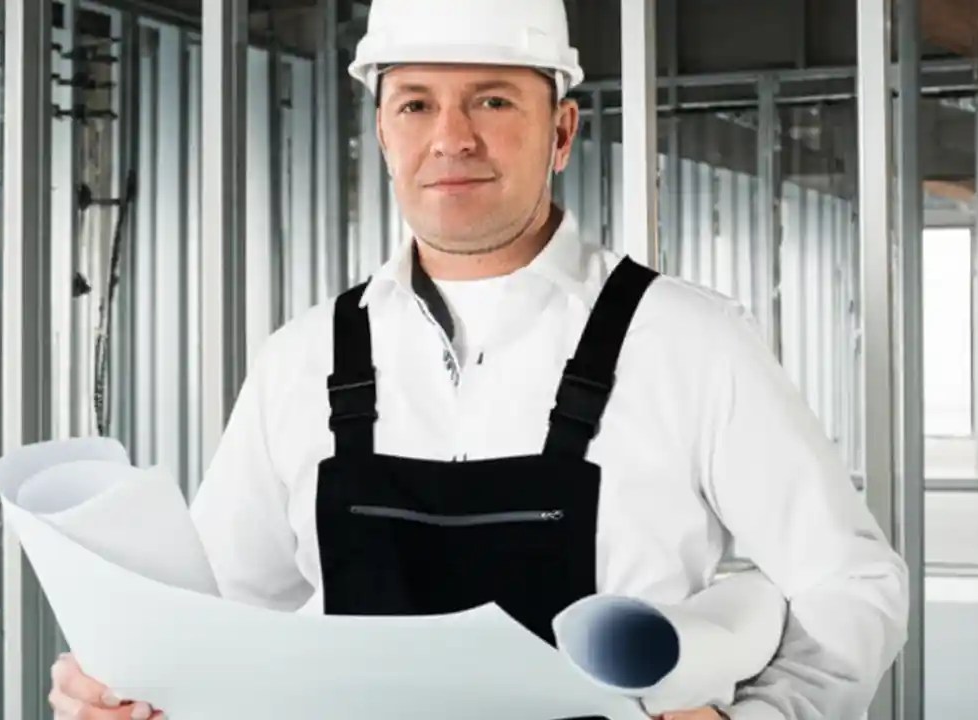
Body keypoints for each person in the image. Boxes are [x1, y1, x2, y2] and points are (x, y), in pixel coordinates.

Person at [47, 0, 909, 717]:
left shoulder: (690, 342)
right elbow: (224, 615)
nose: (450, 138)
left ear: (562, 131)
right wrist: (128, 687)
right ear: (384, 132)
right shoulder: (301, 358)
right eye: (415, 103)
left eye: (493, 101)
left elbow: (851, 583)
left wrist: (764, 718)